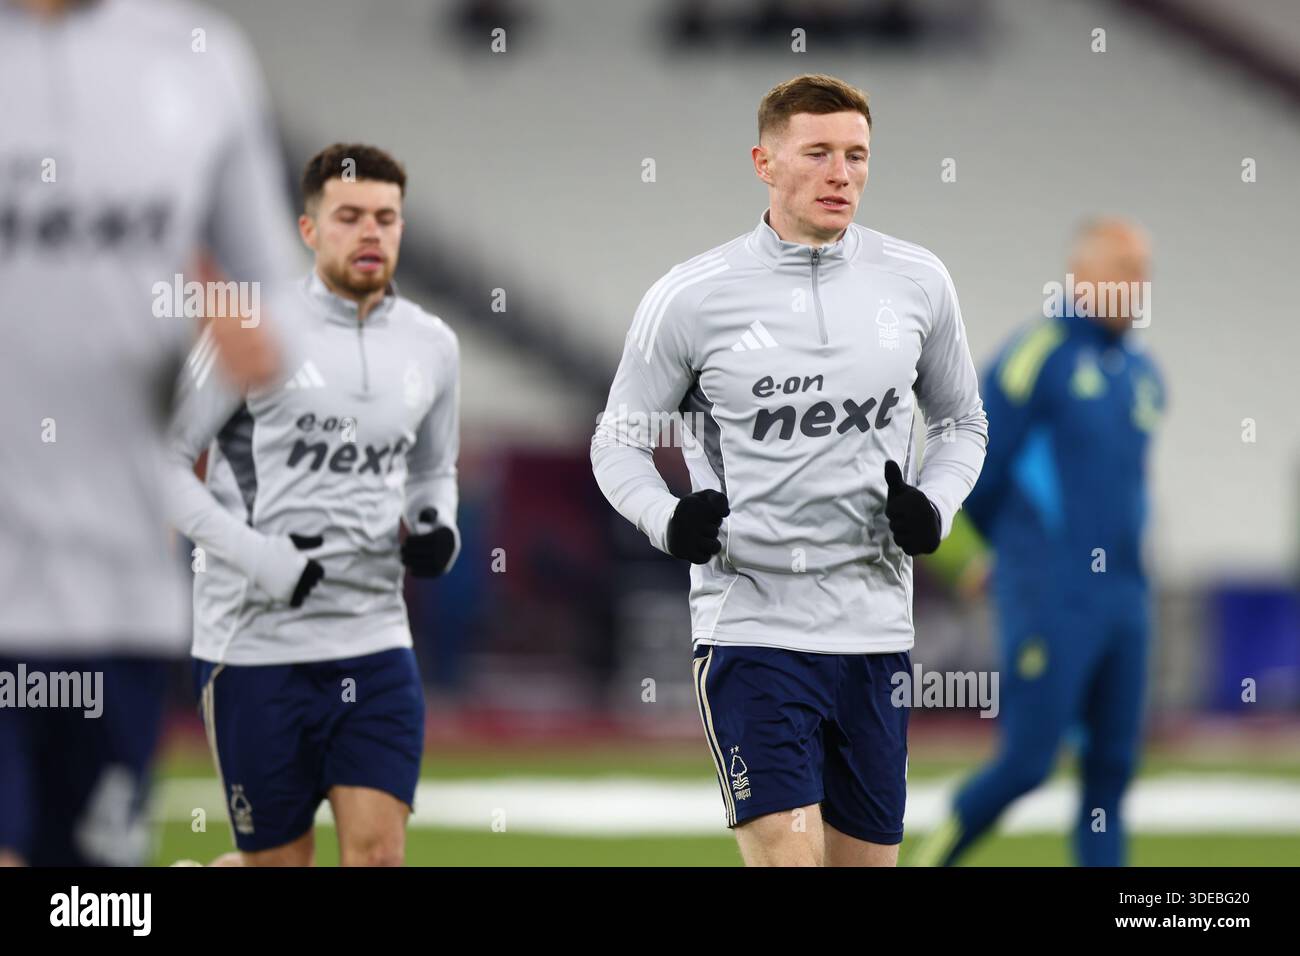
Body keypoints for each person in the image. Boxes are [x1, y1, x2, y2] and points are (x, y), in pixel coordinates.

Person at [591, 73, 987, 866]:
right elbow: (618, 442)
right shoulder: (691, 297)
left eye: (857, 156)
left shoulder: (918, 282)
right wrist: (667, 518)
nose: (842, 174)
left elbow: (961, 424)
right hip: (753, 628)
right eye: (819, 153)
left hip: (875, 634)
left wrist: (936, 504)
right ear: (764, 163)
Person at [0, 0, 299, 866]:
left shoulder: (197, 58)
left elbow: (274, 301)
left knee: (91, 896)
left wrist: (242, 326)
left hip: (119, 594)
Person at [166, 144, 461, 866]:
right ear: (308, 230)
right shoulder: (253, 329)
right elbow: (164, 465)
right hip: (254, 645)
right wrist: (263, 560)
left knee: (379, 856)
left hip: (375, 640)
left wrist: (437, 525)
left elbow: (432, 469)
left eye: (386, 218)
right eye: (350, 216)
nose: (371, 233)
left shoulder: (433, 344)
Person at [913, 218, 1164, 867]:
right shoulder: (1038, 355)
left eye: (1145, 272)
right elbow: (976, 467)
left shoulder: (1141, 373)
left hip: (1126, 599)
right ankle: (924, 859)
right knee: (1028, 762)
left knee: (1110, 771)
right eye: (1126, 269)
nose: (1140, 286)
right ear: (1082, 276)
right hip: (1053, 594)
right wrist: (1008, 557)